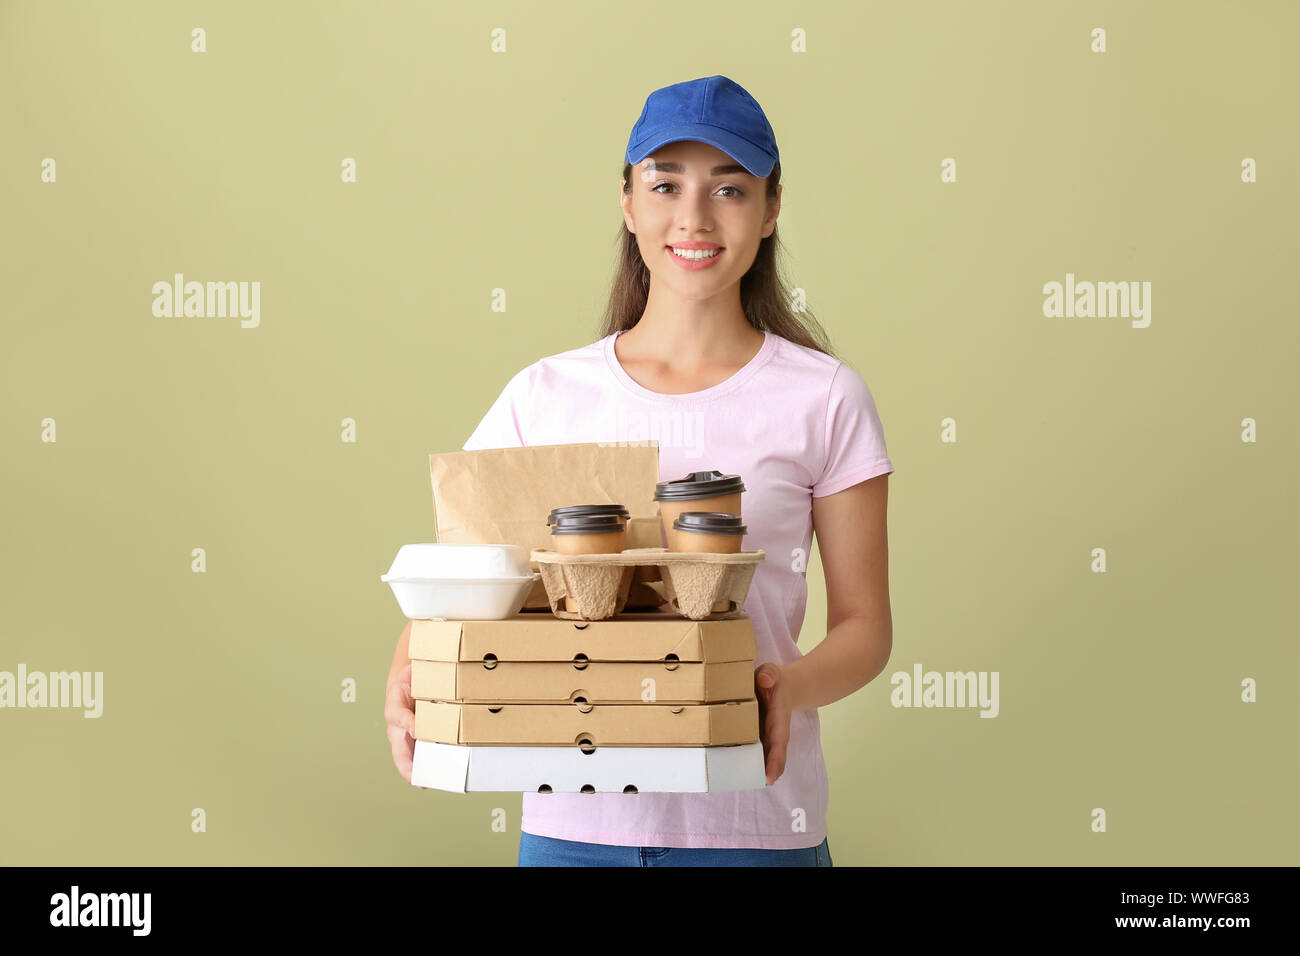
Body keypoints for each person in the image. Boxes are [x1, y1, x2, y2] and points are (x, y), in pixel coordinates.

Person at [385, 75, 894, 867]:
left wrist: (785, 688)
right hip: (573, 828)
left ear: (771, 208)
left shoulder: (824, 397)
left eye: (729, 188)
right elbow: (462, 575)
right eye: (665, 185)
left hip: (753, 825)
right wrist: (407, 668)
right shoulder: (545, 395)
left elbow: (866, 628)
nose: (694, 217)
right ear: (628, 202)